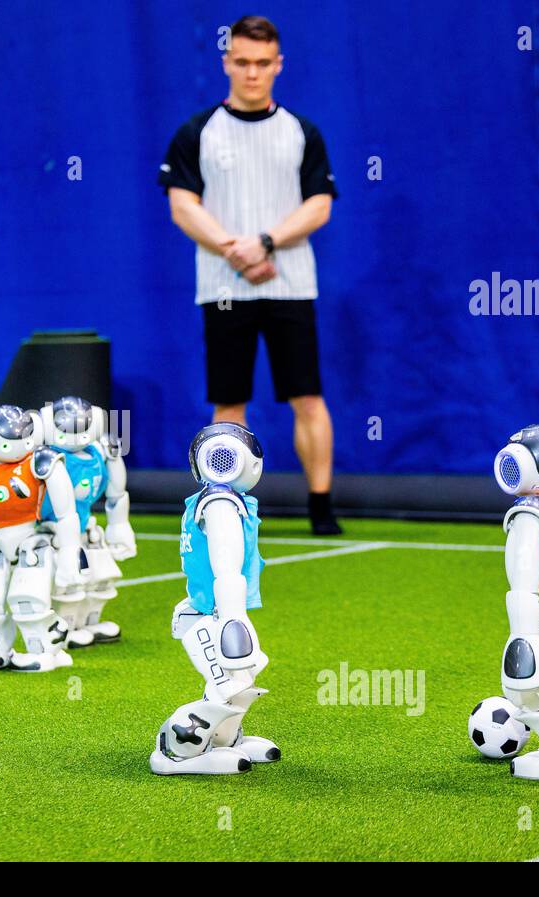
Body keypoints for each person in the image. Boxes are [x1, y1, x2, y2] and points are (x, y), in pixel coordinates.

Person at [158, 14, 342, 534]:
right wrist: (235, 251)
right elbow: (182, 206)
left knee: (307, 397)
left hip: (291, 285)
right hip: (223, 290)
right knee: (229, 401)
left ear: (278, 65)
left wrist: (264, 242)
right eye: (242, 62)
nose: (252, 73)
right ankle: (225, 505)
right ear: (227, 63)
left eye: (263, 63)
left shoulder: (302, 133)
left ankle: (321, 506)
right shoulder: (197, 133)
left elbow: (320, 205)